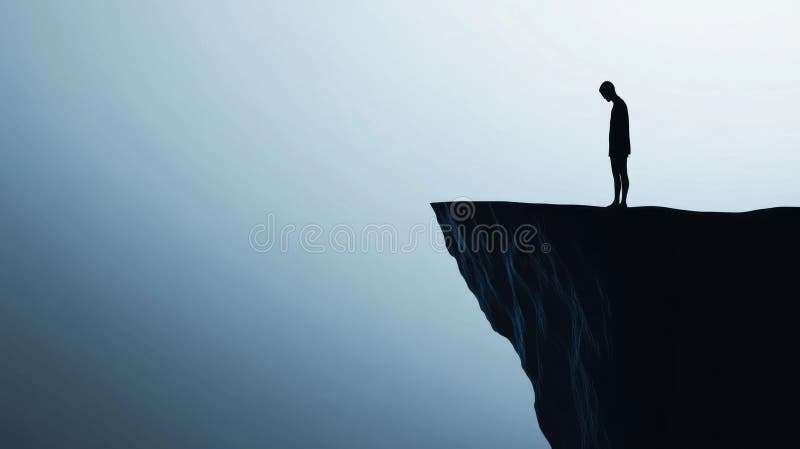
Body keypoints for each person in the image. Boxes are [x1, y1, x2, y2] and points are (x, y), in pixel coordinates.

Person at [599, 81, 630, 208]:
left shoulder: (620, 105)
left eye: (604, 94)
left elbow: (621, 129)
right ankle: (617, 200)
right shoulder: (618, 105)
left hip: (620, 146)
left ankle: (622, 201)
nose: (604, 97)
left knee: (621, 173)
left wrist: (619, 147)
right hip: (616, 146)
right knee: (617, 174)